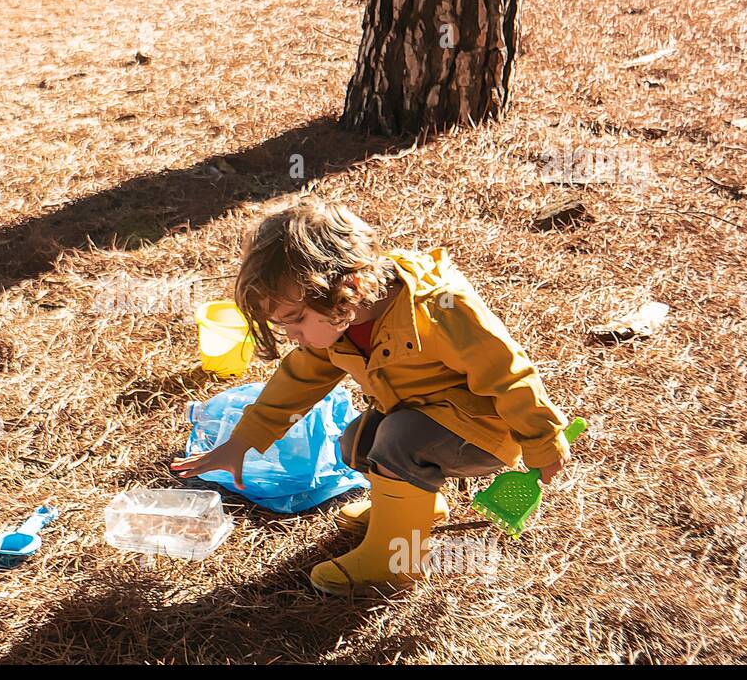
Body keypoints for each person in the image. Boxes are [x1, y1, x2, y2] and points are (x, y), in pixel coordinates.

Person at [170, 202, 573, 596]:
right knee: (357, 441)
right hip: (424, 418)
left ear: (346, 286)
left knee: (397, 441)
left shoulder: (438, 309)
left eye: (294, 321)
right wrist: (242, 441)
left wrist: (542, 440)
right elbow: (297, 382)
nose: (292, 335)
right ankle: (405, 513)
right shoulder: (341, 316)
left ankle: (397, 560)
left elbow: (507, 373)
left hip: (484, 431)